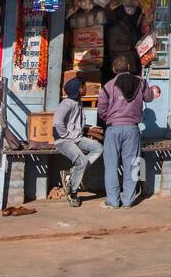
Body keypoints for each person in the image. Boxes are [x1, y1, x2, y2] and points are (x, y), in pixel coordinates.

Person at [96, 55, 160, 210]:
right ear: (129, 67)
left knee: (111, 166)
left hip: (113, 128)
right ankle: (128, 200)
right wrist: (155, 91)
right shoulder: (141, 82)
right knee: (133, 164)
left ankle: (112, 201)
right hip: (132, 128)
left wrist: (110, 119)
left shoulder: (108, 86)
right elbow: (149, 97)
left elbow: (101, 110)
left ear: (113, 69)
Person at [52, 76, 103, 207]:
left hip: (77, 138)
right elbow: (57, 122)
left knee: (98, 148)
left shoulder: (78, 103)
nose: (84, 89)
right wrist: (66, 134)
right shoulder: (66, 103)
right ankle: (73, 193)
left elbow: (76, 123)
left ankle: (72, 173)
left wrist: (86, 129)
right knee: (82, 161)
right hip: (64, 141)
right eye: (82, 87)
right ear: (76, 89)